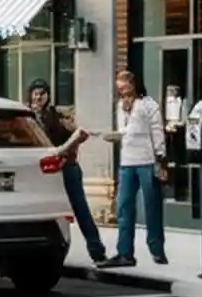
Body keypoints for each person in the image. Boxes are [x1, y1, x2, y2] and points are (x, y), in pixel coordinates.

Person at [28, 79, 106, 264]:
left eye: (42, 93)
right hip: (42, 170)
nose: (39, 97)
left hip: (66, 167)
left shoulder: (58, 115)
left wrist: (71, 147)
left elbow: (77, 132)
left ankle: (97, 251)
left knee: (80, 208)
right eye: (36, 93)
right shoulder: (26, 117)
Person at [101, 70, 168, 267]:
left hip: (147, 161)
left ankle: (157, 249)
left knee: (152, 206)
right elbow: (125, 131)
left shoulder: (148, 105)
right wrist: (114, 136)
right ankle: (125, 253)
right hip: (127, 162)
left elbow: (157, 130)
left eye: (124, 86)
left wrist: (160, 156)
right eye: (119, 87)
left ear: (133, 85)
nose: (121, 90)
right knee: (124, 207)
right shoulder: (120, 106)